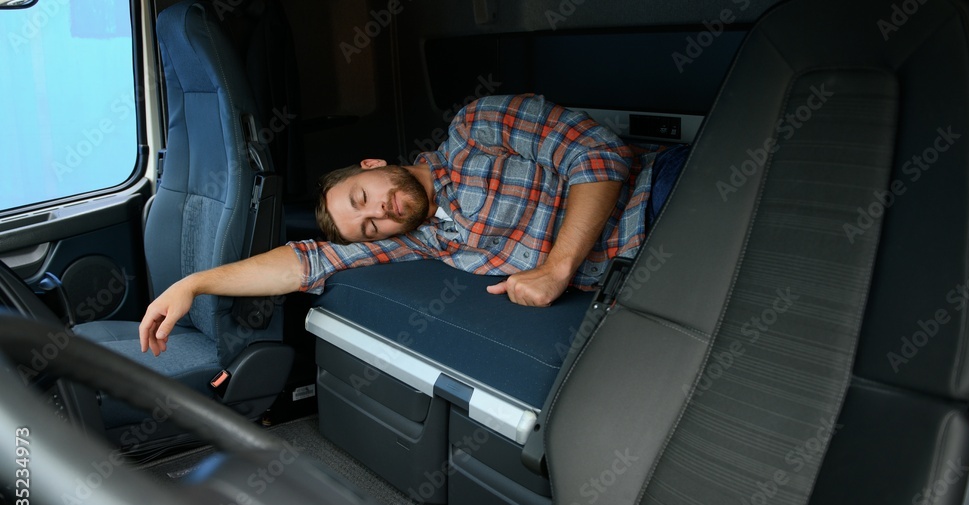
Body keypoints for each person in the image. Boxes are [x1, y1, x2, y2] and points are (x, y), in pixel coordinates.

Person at [139, 93, 688, 356]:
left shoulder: (476, 128)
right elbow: (307, 261)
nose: (378, 215)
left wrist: (556, 269)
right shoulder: (427, 241)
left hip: (668, 198)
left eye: (363, 197)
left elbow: (596, 155)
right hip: (644, 277)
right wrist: (195, 283)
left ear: (375, 164)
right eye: (369, 228)